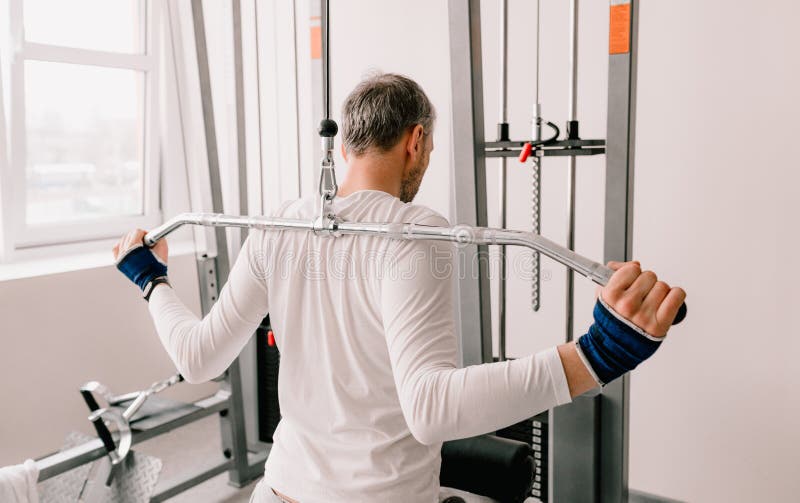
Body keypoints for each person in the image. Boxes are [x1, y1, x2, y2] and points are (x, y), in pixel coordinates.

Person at [112, 73, 686, 503]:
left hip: (279, 492)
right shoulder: (414, 232)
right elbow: (431, 409)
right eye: (430, 149)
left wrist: (149, 277)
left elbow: (198, 357)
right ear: (416, 141)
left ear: (344, 148)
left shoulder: (278, 226)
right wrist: (599, 356)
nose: (427, 159)